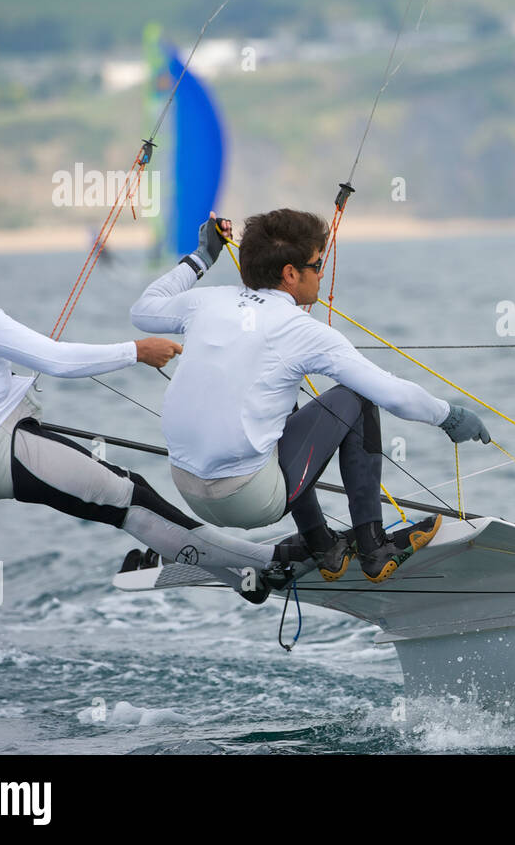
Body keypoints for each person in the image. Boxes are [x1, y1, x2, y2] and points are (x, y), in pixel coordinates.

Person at [0, 188, 286, 602]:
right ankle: (266, 562)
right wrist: (136, 351)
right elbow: (55, 359)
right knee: (127, 497)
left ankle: (230, 571)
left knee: (123, 495)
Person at [130, 208, 490, 585]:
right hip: (248, 500)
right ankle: (374, 548)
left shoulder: (207, 302)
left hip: (188, 491)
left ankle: (323, 545)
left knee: (281, 397)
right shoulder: (301, 330)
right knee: (359, 396)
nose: (322, 274)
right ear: (290, 274)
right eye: (318, 265)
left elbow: (143, 310)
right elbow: (391, 393)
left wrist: (202, 257)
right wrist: (448, 416)